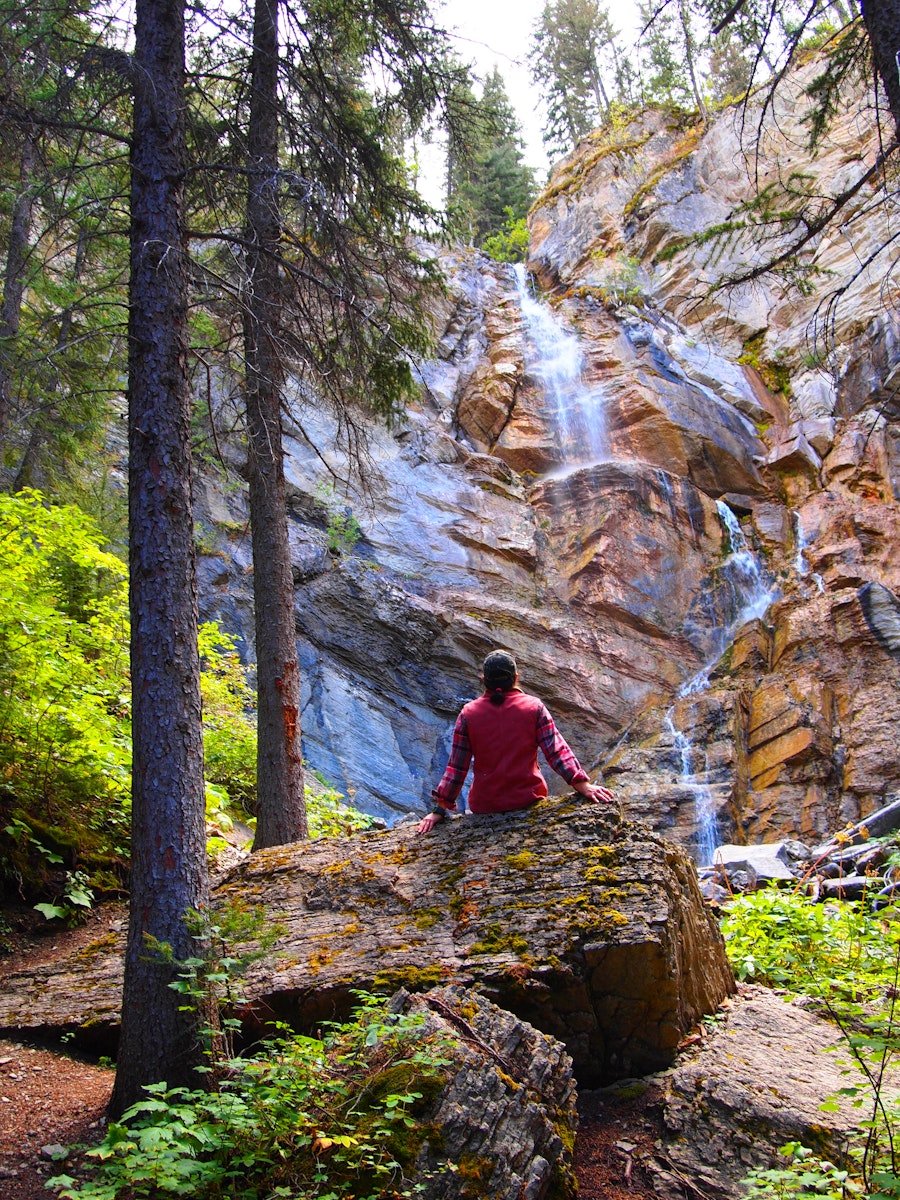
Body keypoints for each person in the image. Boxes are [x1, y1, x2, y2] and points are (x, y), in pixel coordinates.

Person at [416, 650, 614, 834]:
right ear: (516, 678)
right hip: (528, 800)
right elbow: (556, 751)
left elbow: (457, 767)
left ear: (484, 680)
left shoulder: (469, 713)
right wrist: (583, 785)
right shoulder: (533, 707)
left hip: (485, 806)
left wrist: (439, 809)